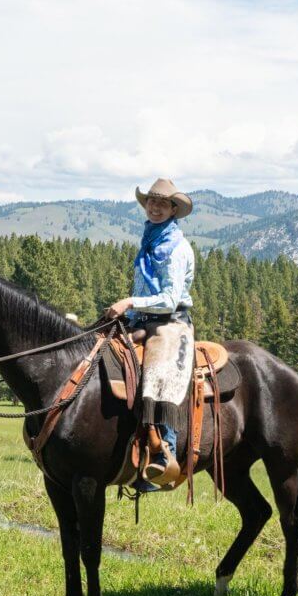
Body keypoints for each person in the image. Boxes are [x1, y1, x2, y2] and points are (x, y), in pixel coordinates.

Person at [105, 178, 194, 493]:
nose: (155, 208)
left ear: (173, 210)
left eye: (162, 204)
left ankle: (163, 451)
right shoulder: (151, 240)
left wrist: (129, 302)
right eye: (151, 202)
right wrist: (122, 316)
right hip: (141, 319)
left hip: (170, 322)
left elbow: (169, 299)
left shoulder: (176, 247)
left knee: (157, 374)